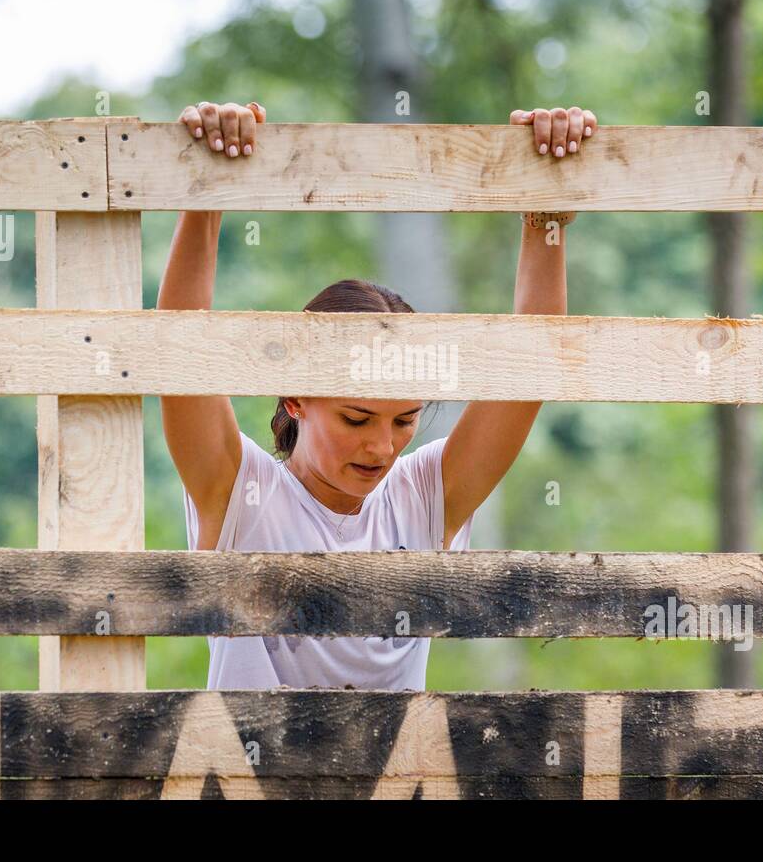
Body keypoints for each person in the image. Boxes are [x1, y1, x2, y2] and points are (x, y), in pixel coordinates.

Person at [157, 99, 597, 690]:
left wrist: (544, 210)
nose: (382, 449)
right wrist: (209, 187)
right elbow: (181, 348)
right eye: (357, 418)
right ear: (295, 398)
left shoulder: (423, 497)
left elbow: (532, 368)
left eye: (405, 420)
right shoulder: (239, 492)